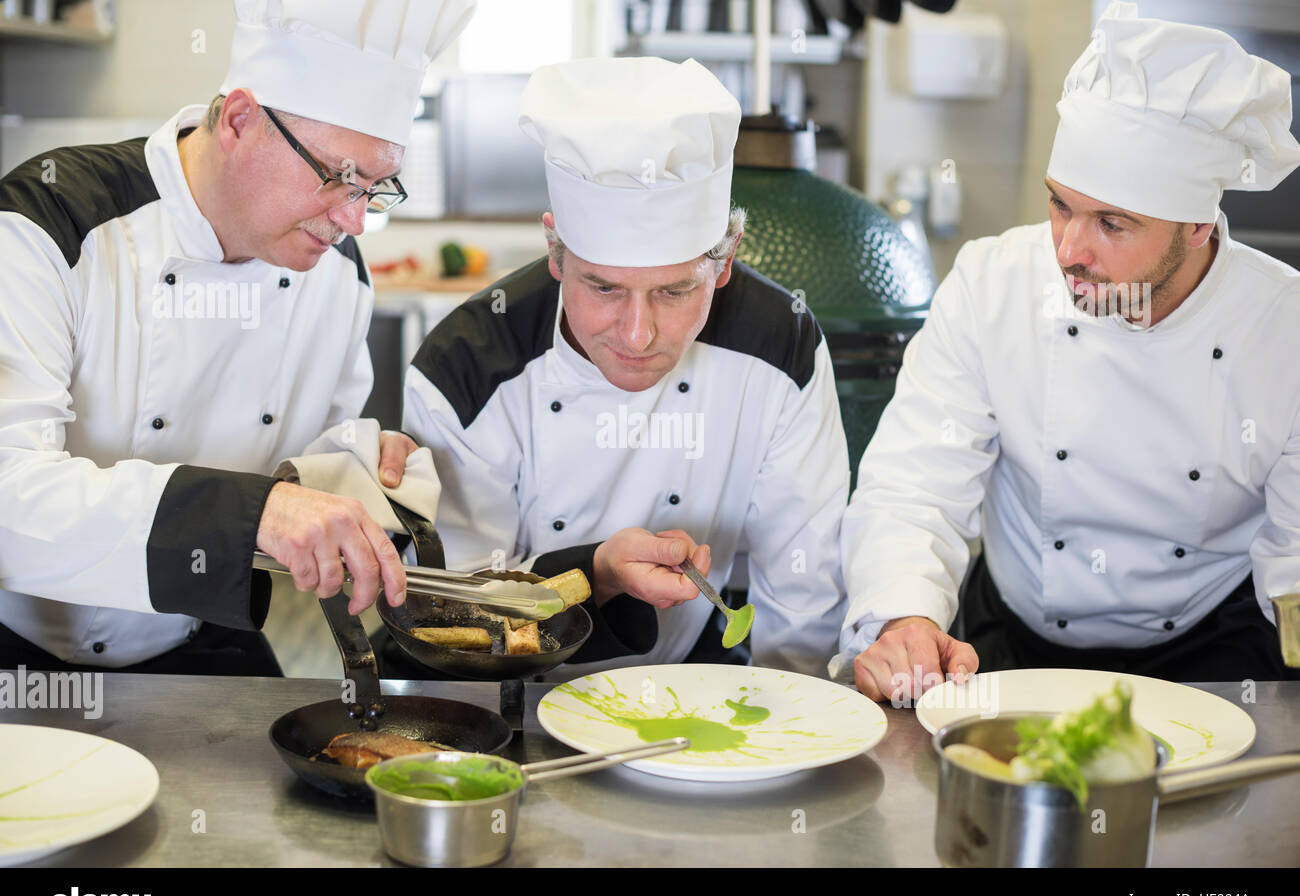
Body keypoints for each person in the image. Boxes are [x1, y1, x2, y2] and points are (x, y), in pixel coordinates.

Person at [840, 1, 1300, 701]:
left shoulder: (1283, 329)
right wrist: (904, 614)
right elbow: (915, 484)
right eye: (1060, 205)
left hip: (1215, 648)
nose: (1068, 251)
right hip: (1012, 640)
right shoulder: (993, 284)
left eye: (1113, 223)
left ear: (1199, 225)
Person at [0, 0, 476, 676]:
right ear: (240, 120)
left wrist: (357, 468)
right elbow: (9, 498)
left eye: (374, 188)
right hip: (21, 655)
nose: (353, 220)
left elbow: (302, 456)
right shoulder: (49, 225)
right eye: (339, 178)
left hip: (201, 633)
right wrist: (255, 515)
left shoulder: (336, 272)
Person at [396, 57, 848, 679]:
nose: (638, 335)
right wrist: (597, 575)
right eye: (604, 289)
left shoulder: (781, 342)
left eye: (674, 291)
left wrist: (785, 739)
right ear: (556, 251)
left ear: (723, 262)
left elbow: (805, 595)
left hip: (693, 680)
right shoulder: (468, 364)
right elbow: (464, 615)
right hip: (507, 696)